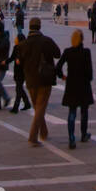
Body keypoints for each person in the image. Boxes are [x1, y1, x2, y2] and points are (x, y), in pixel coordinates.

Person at [18, 17, 61, 145]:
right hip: (45, 78)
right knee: (40, 107)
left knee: (38, 107)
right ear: (40, 26)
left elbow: (19, 61)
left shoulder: (23, 44)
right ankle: (32, 137)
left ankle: (44, 132)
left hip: (30, 79)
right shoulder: (46, 41)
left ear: (30, 27)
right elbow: (57, 54)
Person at [56, 30, 94, 149]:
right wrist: (88, 79)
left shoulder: (68, 52)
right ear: (82, 39)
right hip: (83, 84)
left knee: (72, 112)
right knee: (84, 111)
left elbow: (58, 67)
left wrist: (62, 76)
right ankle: (83, 134)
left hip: (71, 85)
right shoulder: (86, 52)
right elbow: (89, 71)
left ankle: (72, 138)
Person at [8, 33, 32, 113]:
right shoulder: (16, 48)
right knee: (19, 88)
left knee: (18, 89)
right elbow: (12, 58)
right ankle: (27, 103)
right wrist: (5, 62)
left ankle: (16, 107)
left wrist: (20, 61)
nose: (14, 40)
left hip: (22, 71)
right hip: (18, 71)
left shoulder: (23, 48)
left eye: (16, 38)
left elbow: (27, 59)